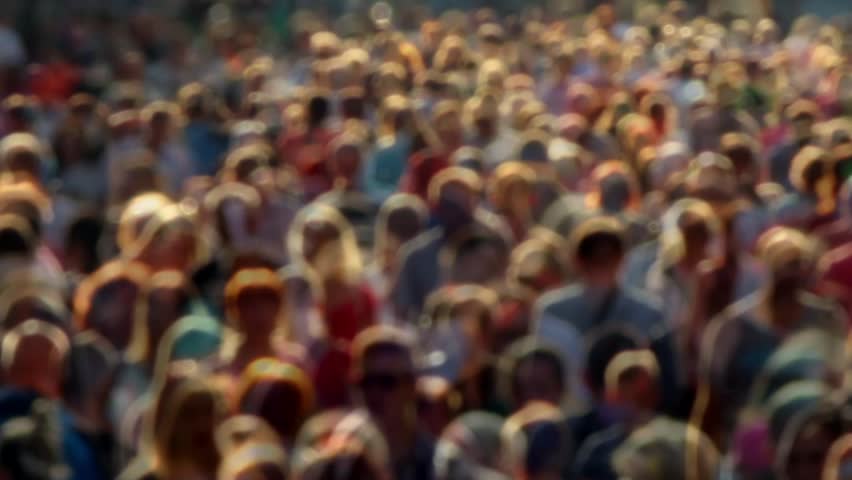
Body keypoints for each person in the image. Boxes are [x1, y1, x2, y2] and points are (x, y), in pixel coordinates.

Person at [695, 227, 848, 448]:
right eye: (781, 264)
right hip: (747, 450)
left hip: (810, 451)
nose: (788, 274)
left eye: (795, 264)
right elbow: (711, 404)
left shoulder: (827, 320)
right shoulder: (732, 328)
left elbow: (838, 391)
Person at [351, 325, 434, 480]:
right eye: (367, 382)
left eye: (386, 382)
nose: (374, 392)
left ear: (411, 386)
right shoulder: (344, 452)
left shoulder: (435, 461)